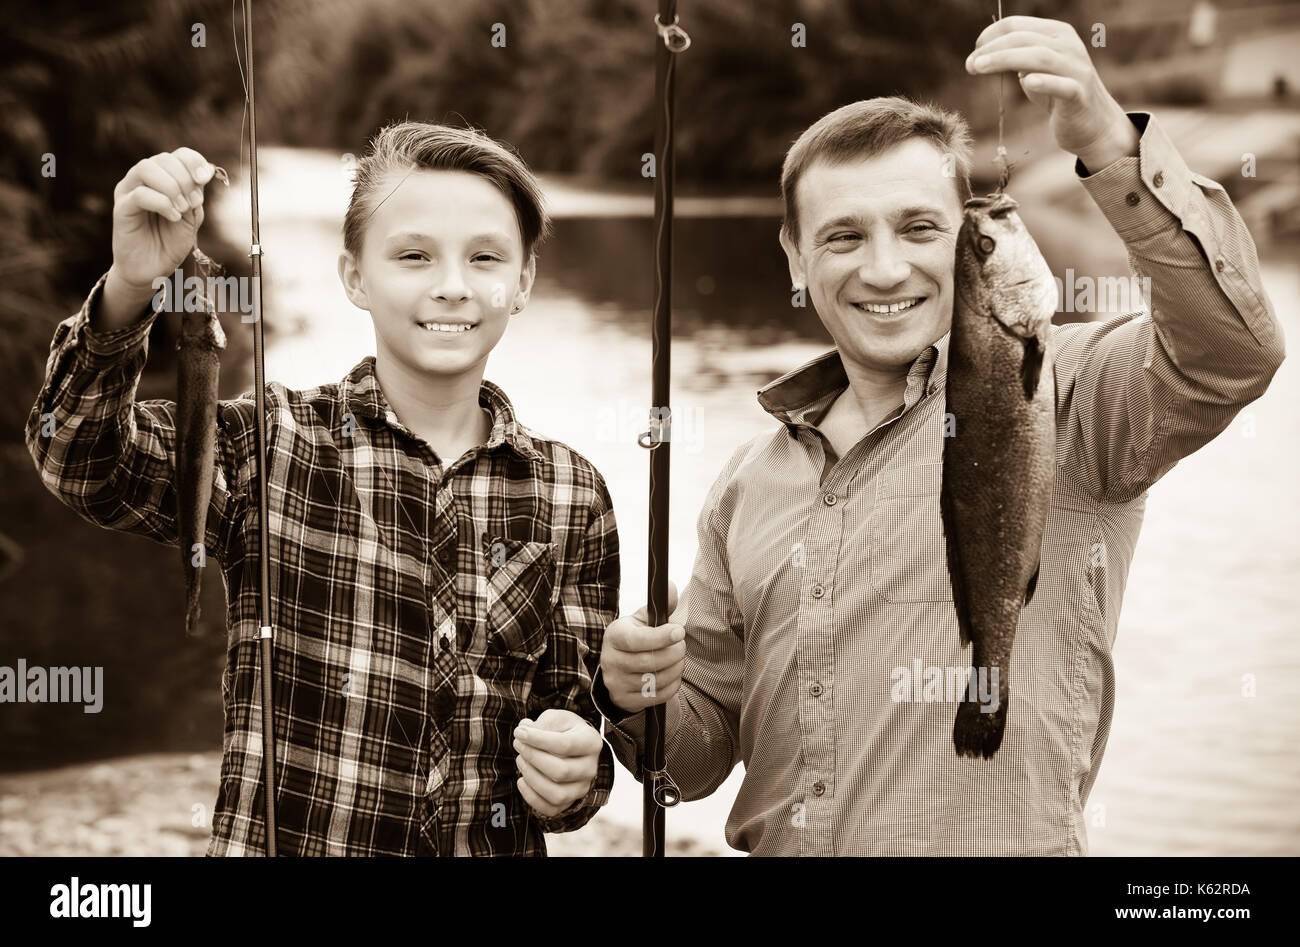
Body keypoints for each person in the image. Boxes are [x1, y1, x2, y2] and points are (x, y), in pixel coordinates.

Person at [593, 15, 1286, 855]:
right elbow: (691, 765)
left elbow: (1231, 355)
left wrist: (1108, 142)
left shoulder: (1071, 392)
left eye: (920, 229)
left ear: (965, 238)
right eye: (843, 236)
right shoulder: (746, 484)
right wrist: (636, 696)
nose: (884, 268)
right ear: (794, 259)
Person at [25, 122, 619, 856]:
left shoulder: (574, 495)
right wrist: (129, 289)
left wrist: (576, 770)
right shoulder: (269, 442)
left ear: (523, 281)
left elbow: (577, 725)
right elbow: (78, 458)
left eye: (485, 257)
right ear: (354, 277)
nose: (452, 284)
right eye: (412, 255)